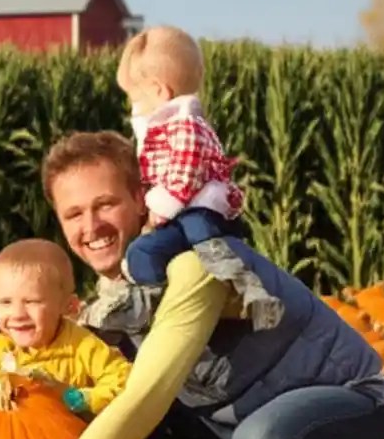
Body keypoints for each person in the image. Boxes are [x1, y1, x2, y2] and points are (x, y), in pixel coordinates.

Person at [0, 130, 384, 439]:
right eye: (74, 213)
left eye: (105, 205)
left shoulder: (198, 265)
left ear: (141, 199)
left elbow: (145, 397)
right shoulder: (108, 306)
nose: (90, 226)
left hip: (352, 414)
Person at [117, 27, 279, 332]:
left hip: (199, 210)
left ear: (158, 91)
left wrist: (161, 208)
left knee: (186, 240)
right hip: (187, 213)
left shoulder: (184, 126)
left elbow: (184, 173)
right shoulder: (165, 128)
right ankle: (157, 302)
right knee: (148, 250)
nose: (132, 107)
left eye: (133, 97)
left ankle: (241, 293)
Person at [0, 238, 131, 418]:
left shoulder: (83, 346)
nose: (17, 314)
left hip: (72, 437)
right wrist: (0, 378)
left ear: (68, 306)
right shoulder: (4, 347)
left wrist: (78, 398)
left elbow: (123, 379)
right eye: (5, 302)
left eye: (31, 301)